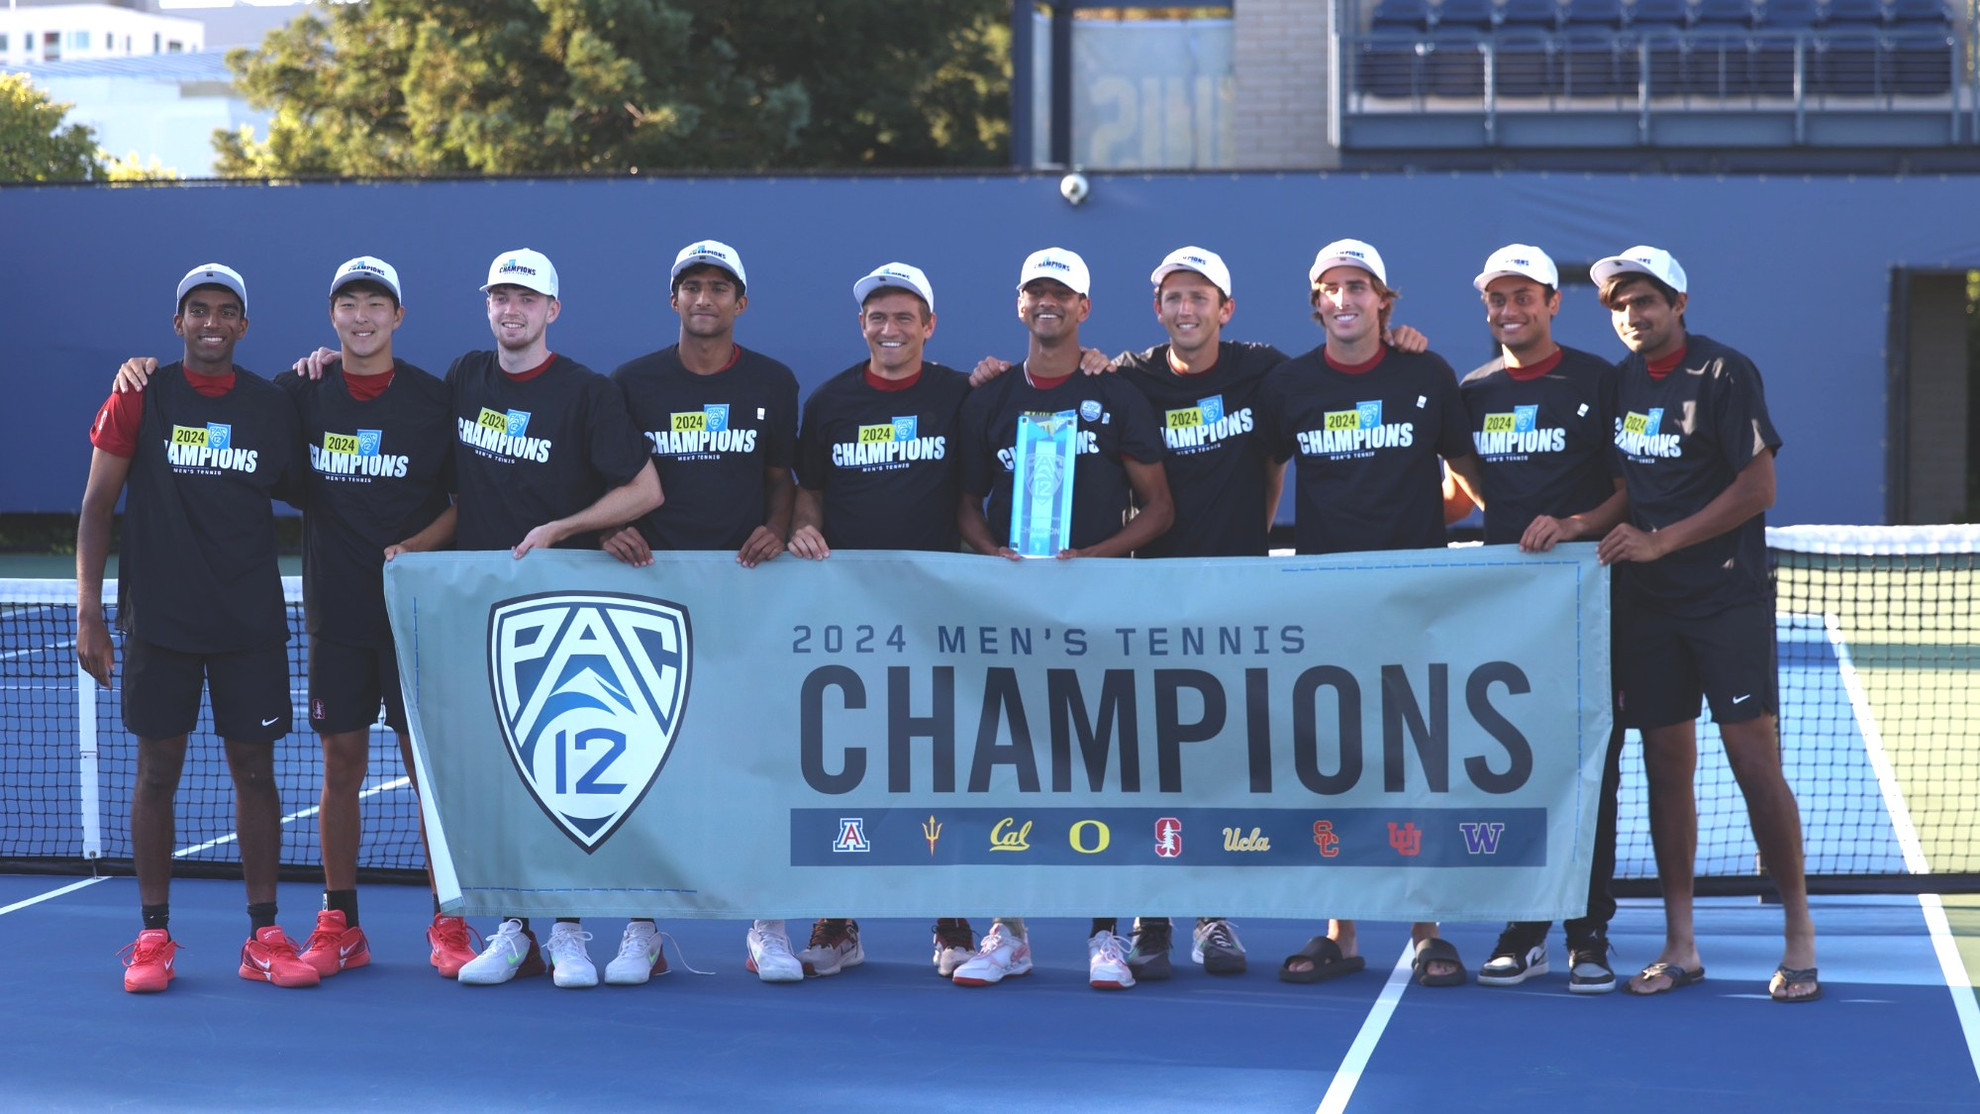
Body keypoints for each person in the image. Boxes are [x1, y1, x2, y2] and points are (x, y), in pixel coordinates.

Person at [110, 257, 467, 979]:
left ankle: (450, 921)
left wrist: (415, 548)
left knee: (426, 772)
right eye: (348, 305)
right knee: (341, 764)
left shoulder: (434, 399)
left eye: (376, 305)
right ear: (331, 317)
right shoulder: (295, 395)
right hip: (335, 612)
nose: (361, 317)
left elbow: (465, 502)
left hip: (417, 612)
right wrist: (136, 371)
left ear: (397, 317)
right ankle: (340, 922)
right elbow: (217, 403)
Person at [1591, 245, 1818, 1003]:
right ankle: (1680, 945)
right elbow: (1630, 487)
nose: (1633, 315)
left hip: (1726, 600)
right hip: (1648, 609)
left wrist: (1662, 541)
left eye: (1646, 300)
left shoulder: (1725, 373)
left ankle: (1800, 939)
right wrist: (1578, 524)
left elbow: (1760, 487)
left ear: (1679, 303)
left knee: (1756, 769)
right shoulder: (1620, 381)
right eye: (1621, 304)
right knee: (1665, 771)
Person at [80, 264, 315, 992]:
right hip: (160, 623)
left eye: (225, 312)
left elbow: (325, 484)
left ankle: (264, 935)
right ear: (177, 323)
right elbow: (95, 507)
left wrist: (323, 371)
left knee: (256, 773)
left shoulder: (273, 406)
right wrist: (89, 610)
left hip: (247, 621)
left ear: (243, 327)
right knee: (156, 773)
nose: (211, 322)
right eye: (197, 311)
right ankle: (152, 937)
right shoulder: (139, 396)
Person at [1258, 238, 1485, 989]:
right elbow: (1267, 474)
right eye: (1333, 286)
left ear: (1385, 302)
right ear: (1317, 301)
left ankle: (1428, 930)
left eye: (1361, 286)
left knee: (1418, 767)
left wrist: (1520, 546)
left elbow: (1468, 475)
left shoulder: (1426, 373)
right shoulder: (1289, 383)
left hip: (1416, 604)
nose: (1346, 298)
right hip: (1328, 606)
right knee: (1337, 771)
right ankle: (1340, 932)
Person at [436, 249, 665, 988]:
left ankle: (568, 930)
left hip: (565, 618)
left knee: (565, 773)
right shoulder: (465, 378)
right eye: (501, 296)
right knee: (500, 776)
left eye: (527, 299)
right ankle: (515, 929)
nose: (512, 309)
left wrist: (563, 528)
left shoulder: (586, 393)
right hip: (480, 615)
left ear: (552, 311)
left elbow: (645, 491)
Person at [953, 246, 1175, 990]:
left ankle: (1105, 936)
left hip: (1094, 611)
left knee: (1097, 771)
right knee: (1005, 773)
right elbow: (962, 501)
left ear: (1084, 309)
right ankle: (1008, 934)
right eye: (1035, 292)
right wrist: (993, 551)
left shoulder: (1114, 394)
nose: (1048, 304)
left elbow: (1160, 506)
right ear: (1020, 303)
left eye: (1063, 294)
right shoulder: (987, 397)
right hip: (1010, 611)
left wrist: (1096, 558)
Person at [604, 240, 804, 983]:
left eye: (720, 287)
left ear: (739, 302)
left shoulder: (774, 383)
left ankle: (768, 924)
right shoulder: (631, 384)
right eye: (692, 286)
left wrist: (777, 529)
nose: (705, 299)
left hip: (749, 600)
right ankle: (642, 927)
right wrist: (606, 530)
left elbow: (782, 477)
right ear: (674, 300)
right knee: (652, 767)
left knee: (757, 765)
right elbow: (612, 482)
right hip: (653, 604)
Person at [787, 262, 979, 978]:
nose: (890, 328)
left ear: (929, 325)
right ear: (861, 324)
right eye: (877, 316)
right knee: (846, 768)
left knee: (942, 764)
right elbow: (811, 491)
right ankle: (838, 921)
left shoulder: (962, 394)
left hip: (940, 613)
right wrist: (805, 529)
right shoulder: (832, 400)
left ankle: (953, 916)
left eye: (904, 316)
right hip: (850, 617)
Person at [1454, 244, 1629, 994]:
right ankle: (1525, 928)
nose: (1510, 310)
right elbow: (1464, 486)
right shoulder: (1472, 389)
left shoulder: (1598, 378)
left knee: (1595, 768)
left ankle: (1589, 931)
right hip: (1507, 615)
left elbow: (1632, 488)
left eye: (1525, 296)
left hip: (1592, 605)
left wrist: (1574, 524)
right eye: (1498, 298)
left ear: (1553, 302)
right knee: (1516, 771)